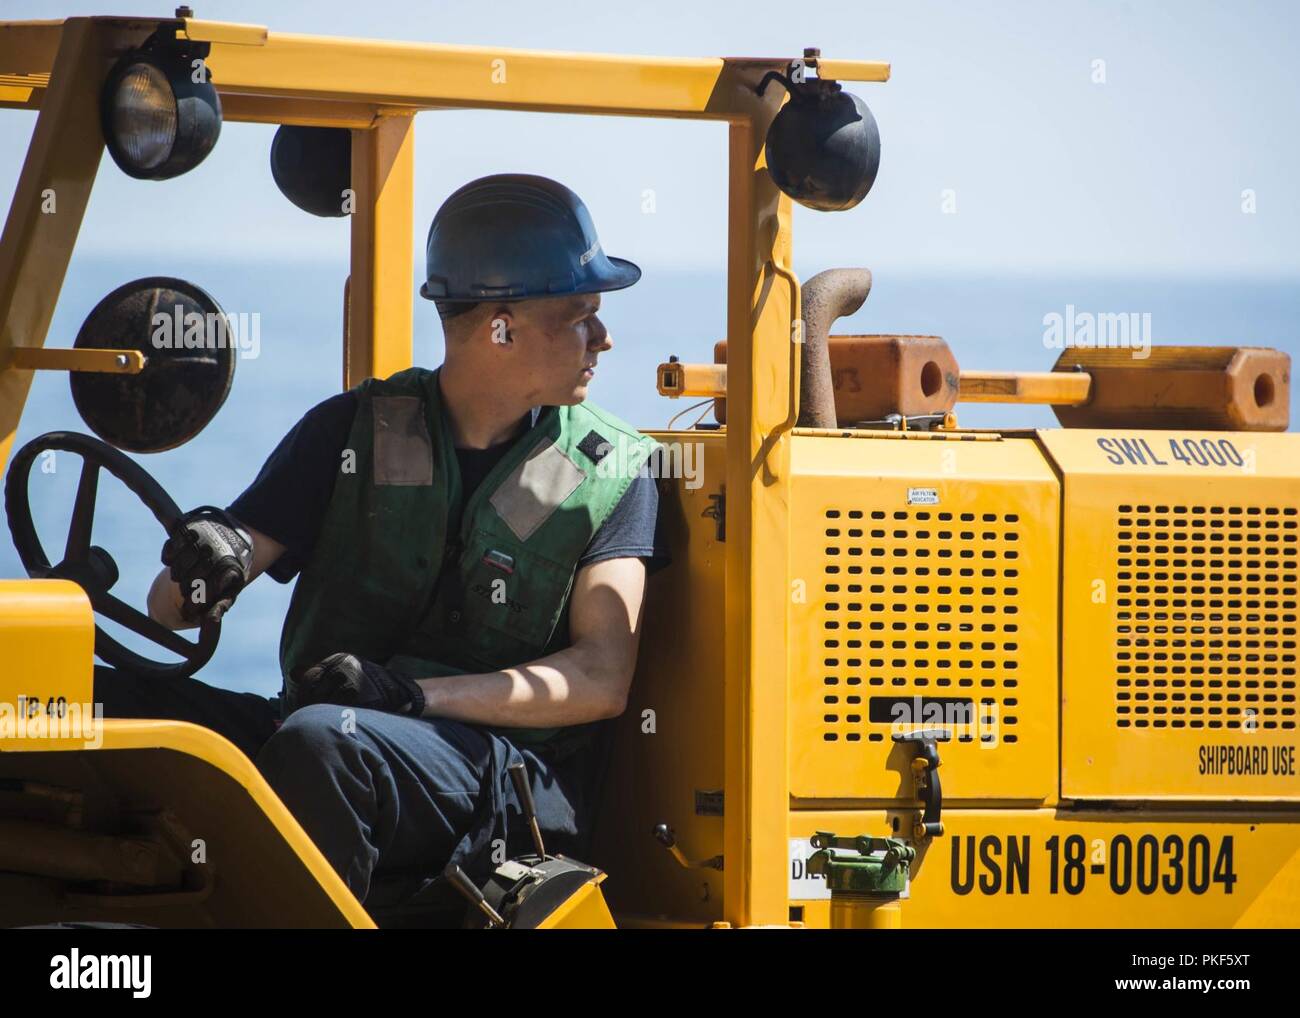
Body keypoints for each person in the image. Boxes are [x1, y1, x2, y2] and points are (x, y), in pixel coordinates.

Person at [95, 174, 667, 920]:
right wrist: (204, 558)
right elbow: (171, 610)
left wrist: (411, 698)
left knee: (325, 746)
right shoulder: (350, 432)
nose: (604, 337)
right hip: (334, 733)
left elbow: (601, 678)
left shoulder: (611, 471)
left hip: (503, 779)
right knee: (91, 704)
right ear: (502, 325)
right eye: (582, 314)